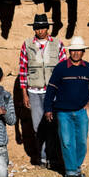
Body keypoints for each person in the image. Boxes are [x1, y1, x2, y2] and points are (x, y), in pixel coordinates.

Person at [43, 37, 89, 177]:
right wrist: (48, 108)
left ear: (83, 52)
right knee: (67, 141)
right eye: (73, 50)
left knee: (81, 141)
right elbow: (51, 89)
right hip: (63, 112)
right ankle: (70, 171)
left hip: (81, 111)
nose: (76, 53)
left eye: (79, 50)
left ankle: (76, 168)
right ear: (69, 51)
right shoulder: (61, 68)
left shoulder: (88, 68)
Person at [19, 16, 67, 168]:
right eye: (37, 28)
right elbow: (23, 71)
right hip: (34, 91)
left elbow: (63, 69)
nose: (40, 31)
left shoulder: (58, 44)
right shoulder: (27, 45)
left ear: (48, 28)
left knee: (52, 124)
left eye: (42, 27)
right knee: (37, 127)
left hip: (52, 91)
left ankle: (52, 157)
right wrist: (24, 94)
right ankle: (43, 156)